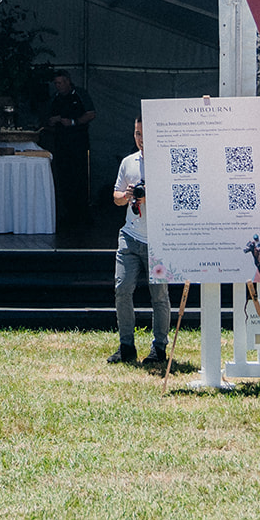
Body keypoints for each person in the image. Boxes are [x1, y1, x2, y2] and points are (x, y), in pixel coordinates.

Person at [108, 116, 169, 365]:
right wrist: (127, 195)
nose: (141, 139)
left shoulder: (165, 162)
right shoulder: (128, 162)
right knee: (122, 289)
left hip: (158, 240)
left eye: (144, 134)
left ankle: (160, 348)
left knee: (160, 296)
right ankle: (126, 346)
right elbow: (116, 196)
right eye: (137, 134)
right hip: (130, 237)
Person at [46, 70, 95, 226]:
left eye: (60, 83)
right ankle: (68, 213)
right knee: (64, 178)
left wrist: (74, 122)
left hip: (78, 144)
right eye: (56, 83)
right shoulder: (55, 98)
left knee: (79, 178)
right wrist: (53, 121)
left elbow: (91, 113)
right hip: (61, 144)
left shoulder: (79, 94)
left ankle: (82, 214)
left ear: (68, 82)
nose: (58, 86)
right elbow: (49, 118)